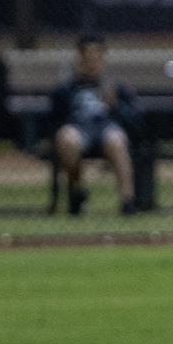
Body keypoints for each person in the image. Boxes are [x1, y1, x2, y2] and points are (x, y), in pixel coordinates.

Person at [51, 34, 143, 216]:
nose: (92, 61)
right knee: (68, 139)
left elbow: (135, 121)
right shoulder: (68, 88)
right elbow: (56, 117)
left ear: (103, 58)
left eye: (97, 56)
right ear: (80, 58)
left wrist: (116, 106)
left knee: (116, 141)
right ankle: (76, 192)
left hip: (106, 128)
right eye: (88, 56)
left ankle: (127, 200)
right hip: (79, 128)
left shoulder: (116, 88)